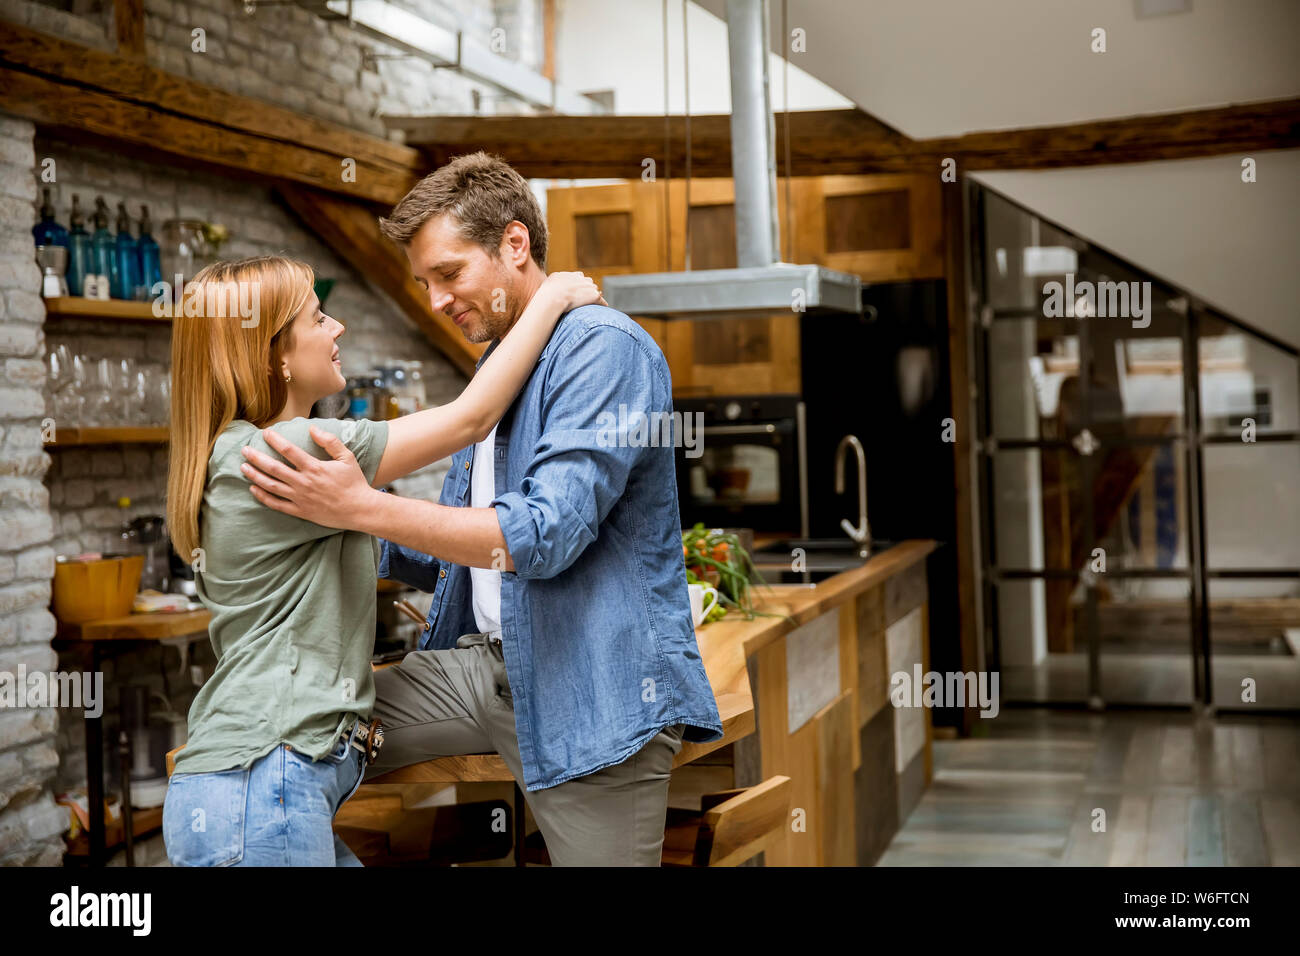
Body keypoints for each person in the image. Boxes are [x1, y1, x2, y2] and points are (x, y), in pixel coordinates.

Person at [240, 152, 724, 866]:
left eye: (449, 273)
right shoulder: (500, 363)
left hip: (590, 683)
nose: (436, 299)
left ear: (515, 244)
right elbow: (449, 549)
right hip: (477, 671)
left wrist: (361, 508)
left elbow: (543, 535)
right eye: (423, 282)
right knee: (275, 737)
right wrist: (311, 514)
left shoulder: (603, 351)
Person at [161, 253, 600, 866]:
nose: (337, 328)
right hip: (262, 787)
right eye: (319, 317)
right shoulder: (289, 449)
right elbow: (471, 418)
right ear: (274, 356)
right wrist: (550, 299)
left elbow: (388, 538)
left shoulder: (245, 452)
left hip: (265, 787)